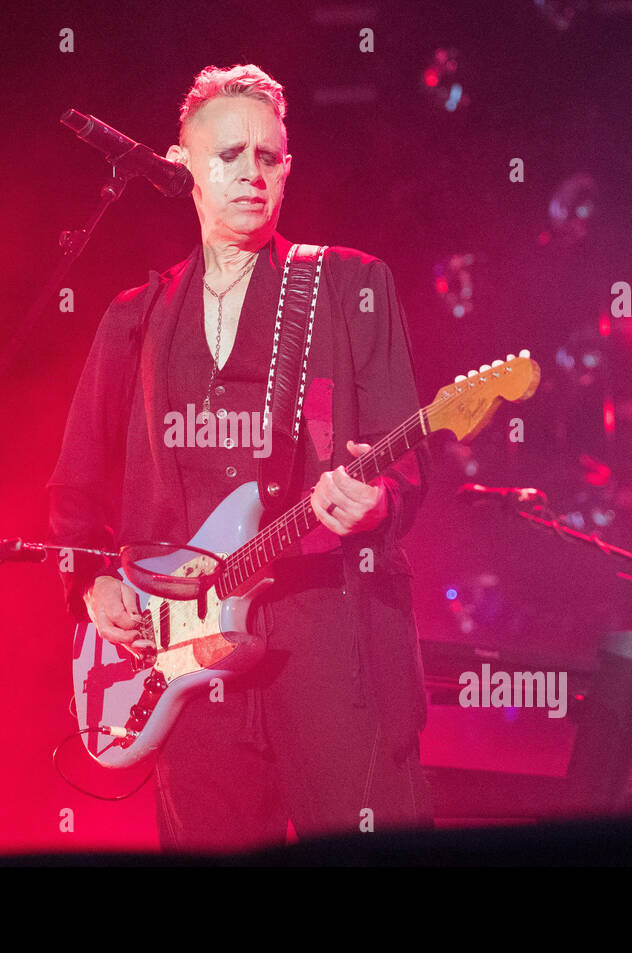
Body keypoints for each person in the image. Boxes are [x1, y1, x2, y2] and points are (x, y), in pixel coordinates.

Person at [48, 64, 434, 851]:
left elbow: (407, 461)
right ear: (182, 162)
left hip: (332, 635)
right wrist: (91, 582)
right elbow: (77, 479)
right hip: (180, 649)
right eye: (229, 156)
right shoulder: (136, 316)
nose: (252, 175)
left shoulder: (350, 285)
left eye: (270, 156)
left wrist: (379, 502)